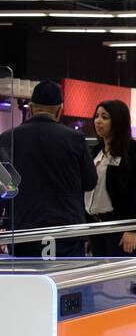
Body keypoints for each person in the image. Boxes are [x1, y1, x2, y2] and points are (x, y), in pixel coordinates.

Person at [0, 81, 96, 258]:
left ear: (31, 109)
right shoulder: (75, 139)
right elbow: (90, 182)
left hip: (23, 230)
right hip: (66, 229)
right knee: (69, 283)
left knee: (27, 282)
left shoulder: (7, 139)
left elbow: (4, 187)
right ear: (60, 111)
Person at [86, 99, 136, 257]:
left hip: (120, 227)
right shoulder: (95, 151)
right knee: (100, 278)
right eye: (96, 116)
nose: (98, 121)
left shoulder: (133, 150)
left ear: (118, 121)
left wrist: (132, 228)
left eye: (104, 117)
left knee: (118, 280)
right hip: (95, 225)